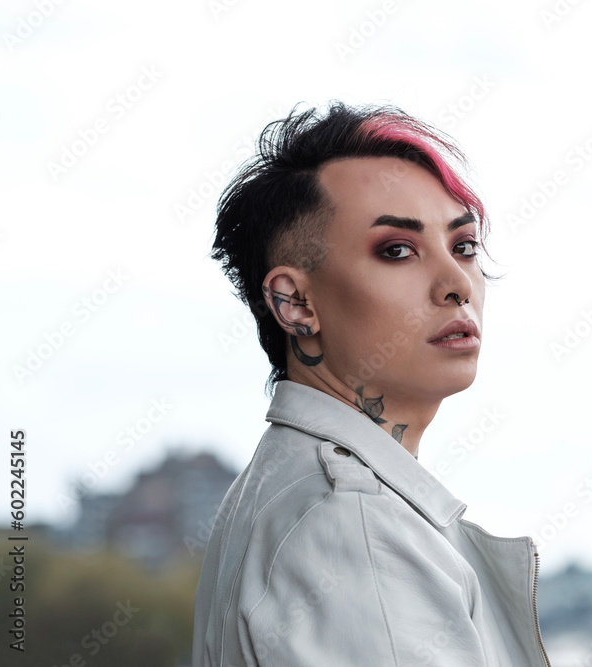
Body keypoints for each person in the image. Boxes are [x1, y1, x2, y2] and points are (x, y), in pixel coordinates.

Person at [191, 101, 551, 666]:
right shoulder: (357, 525)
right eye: (397, 251)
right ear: (295, 302)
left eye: (463, 246)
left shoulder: (300, 488)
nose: (458, 284)